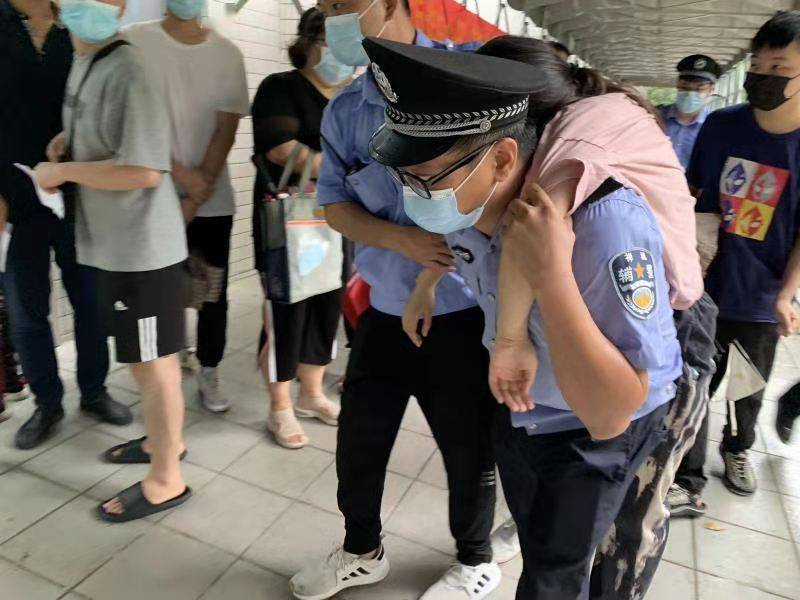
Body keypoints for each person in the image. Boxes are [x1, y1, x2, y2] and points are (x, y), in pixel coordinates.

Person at [366, 36, 697, 599]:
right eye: (403, 176)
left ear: (501, 159)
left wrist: (551, 277)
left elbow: (611, 412)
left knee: (557, 578)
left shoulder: (601, 226)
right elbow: (462, 252)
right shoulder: (468, 200)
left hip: (593, 429)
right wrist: (426, 286)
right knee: (541, 544)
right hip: (527, 410)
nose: (413, 195)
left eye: (424, 178)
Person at [289, 2, 507, 600]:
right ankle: (362, 551)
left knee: (468, 447)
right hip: (384, 307)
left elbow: (494, 191)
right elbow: (334, 206)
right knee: (360, 438)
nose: (331, 17)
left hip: (463, 310)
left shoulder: (467, 79)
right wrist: (399, 240)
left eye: (343, 4)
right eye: (324, 6)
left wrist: (429, 277)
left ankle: (476, 557)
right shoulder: (347, 110)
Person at [34, 0, 191, 522]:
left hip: (143, 251)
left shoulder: (130, 67)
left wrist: (64, 172)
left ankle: (167, 478)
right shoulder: (87, 57)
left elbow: (144, 170)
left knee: (154, 364)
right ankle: (162, 443)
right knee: (143, 361)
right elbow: (109, 134)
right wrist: (70, 142)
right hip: (114, 245)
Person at [671, 10, 800, 510]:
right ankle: (687, 474)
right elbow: (694, 197)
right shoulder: (722, 126)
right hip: (704, 287)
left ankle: (737, 448)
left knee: (746, 386)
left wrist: (786, 294)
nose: (764, 77)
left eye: (780, 68)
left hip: (760, 297)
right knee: (695, 383)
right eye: (759, 65)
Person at [0, 0, 132, 451]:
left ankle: (94, 391)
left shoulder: (75, 21)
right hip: (14, 198)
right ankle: (47, 403)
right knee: (26, 311)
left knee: (91, 302)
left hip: (80, 192)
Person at [122, 0, 249, 414]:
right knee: (159, 292)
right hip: (151, 196)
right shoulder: (133, 42)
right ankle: (167, 368)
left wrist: (196, 194)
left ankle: (210, 369)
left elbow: (226, 129)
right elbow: (133, 123)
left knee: (212, 292)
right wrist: (183, 180)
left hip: (212, 201)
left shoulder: (227, 54)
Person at [251, 7, 351, 449]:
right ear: (308, 43)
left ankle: (311, 394)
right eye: (332, 42)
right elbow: (280, 150)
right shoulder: (281, 87)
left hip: (339, 219)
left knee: (327, 305)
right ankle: (280, 406)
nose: (342, 55)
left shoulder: (353, 95)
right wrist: (346, 170)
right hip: (289, 220)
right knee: (286, 312)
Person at [659, 54, 721, 169]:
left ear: (711, 90)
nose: (690, 93)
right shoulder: (655, 117)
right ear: (677, 85)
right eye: (685, 86)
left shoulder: (713, 127)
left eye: (699, 88)